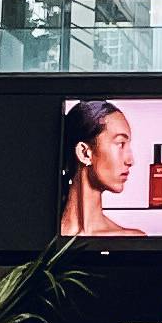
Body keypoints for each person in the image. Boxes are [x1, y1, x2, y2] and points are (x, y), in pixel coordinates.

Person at [60, 100, 136, 236]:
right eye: (120, 144)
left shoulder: (131, 239)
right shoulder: (40, 235)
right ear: (84, 153)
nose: (130, 161)